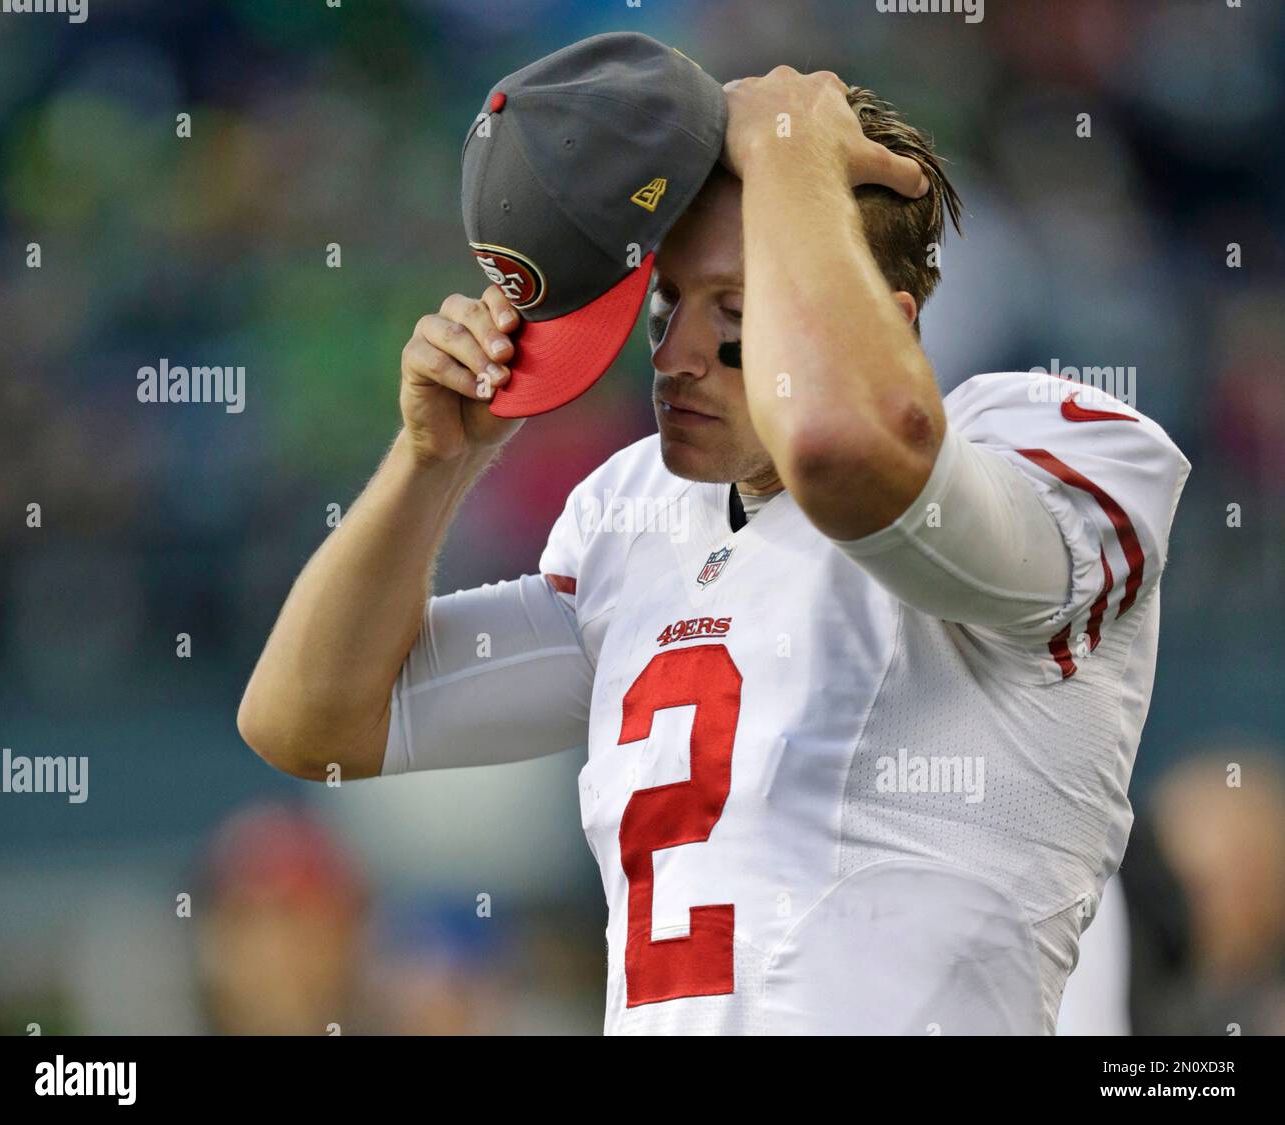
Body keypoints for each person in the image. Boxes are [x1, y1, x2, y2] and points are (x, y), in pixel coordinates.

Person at [238, 33, 1191, 1034]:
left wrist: (788, 152)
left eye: (734, 309)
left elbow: (848, 450)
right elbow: (310, 724)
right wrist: (433, 463)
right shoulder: (636, 520)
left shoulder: (1057, 453)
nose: (679, 353)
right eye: (667, 302)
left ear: (890, 321)